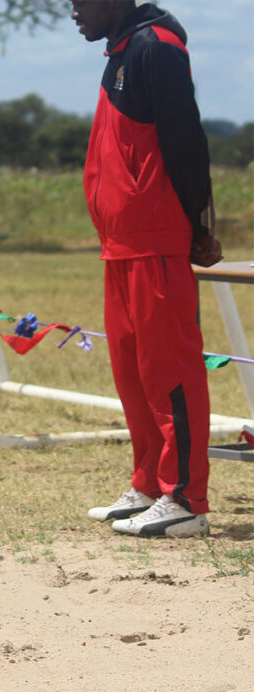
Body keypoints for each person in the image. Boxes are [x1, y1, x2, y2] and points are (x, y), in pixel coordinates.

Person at [71, 1, 222, 537]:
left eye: (79, 3)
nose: (73, 14)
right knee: (133, 372)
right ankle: (149, 484)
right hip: (122, 242)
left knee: (169, 371)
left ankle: (185, 498)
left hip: (156, 239)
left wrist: (201, 226)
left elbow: (187, 140)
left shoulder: (156, 47)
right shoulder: (120, 50)